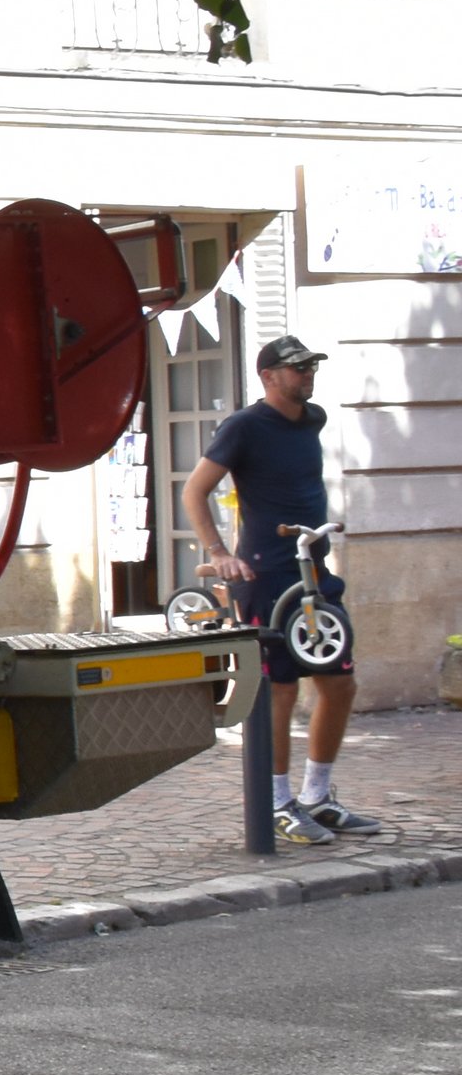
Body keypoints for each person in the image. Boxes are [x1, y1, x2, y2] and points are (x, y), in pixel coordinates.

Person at [184, 334, 379, 844]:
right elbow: (195, 490)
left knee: (339, 682)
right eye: (297, 369)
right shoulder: (243, 426)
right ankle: (276, 804)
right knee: (280, 691)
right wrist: (220, 554)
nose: (307, 376)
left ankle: (317, 795)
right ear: (269, 377)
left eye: (311, 367)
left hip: (313, 571)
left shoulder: (313, 418)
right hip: (264, 576)